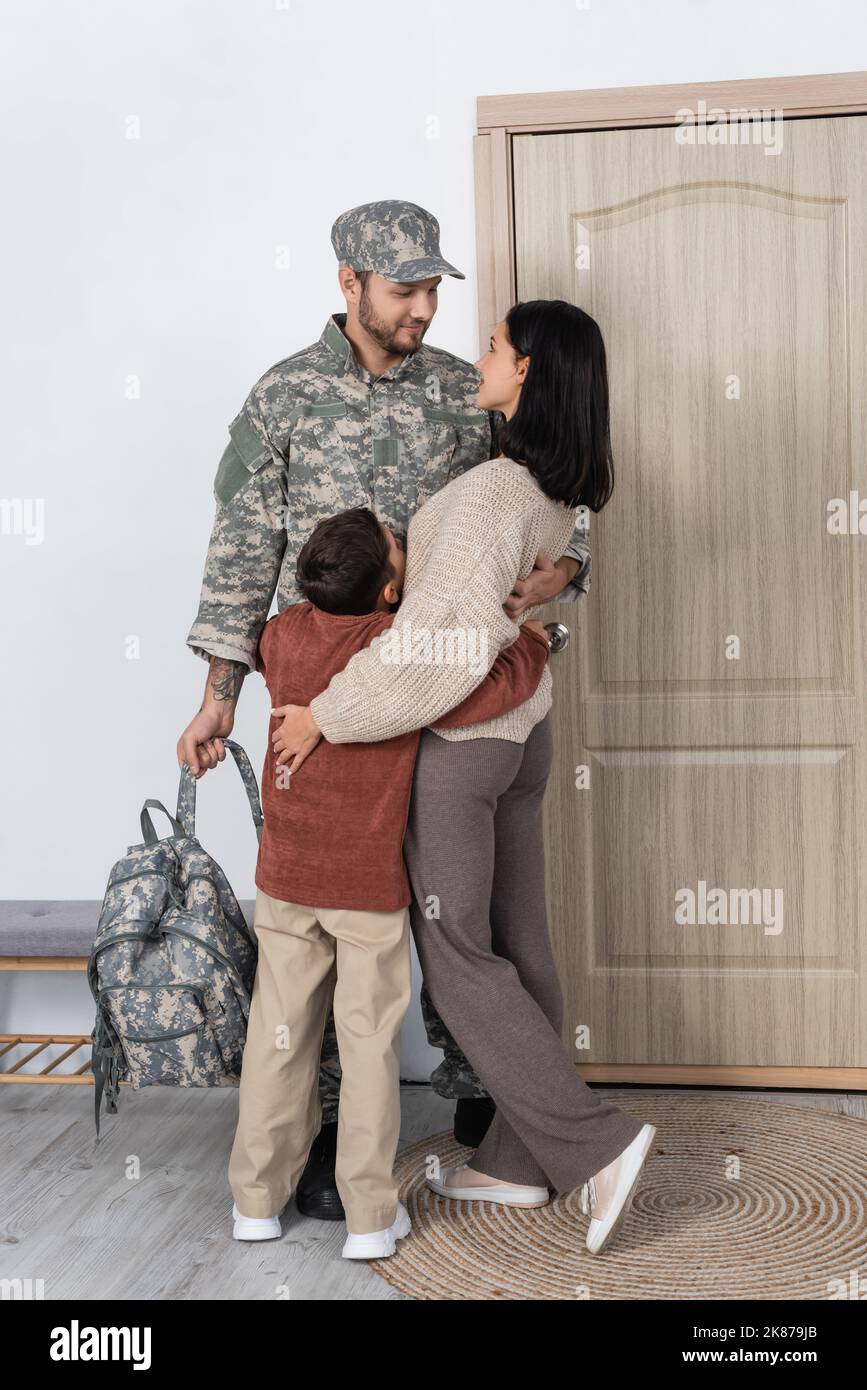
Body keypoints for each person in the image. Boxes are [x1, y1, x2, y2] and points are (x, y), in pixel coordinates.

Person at [177, 200, 593, 1221]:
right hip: (320, 704)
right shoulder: (281, 398)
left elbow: (559, 481)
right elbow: (241, 555)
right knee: (322, 921)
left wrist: (571, 568)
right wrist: (217, 698)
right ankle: (316, 1137)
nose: (425, 305)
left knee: (450, 910)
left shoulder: (466, 390)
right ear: (348, 284)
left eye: (434, 288)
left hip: (442, 691)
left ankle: (496, 1105)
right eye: (404, 288)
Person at [267, 300, 656, 1255]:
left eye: (494, 346)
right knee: (518, 944)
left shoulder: (489, 494)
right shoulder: (549, 490)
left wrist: (329, 715)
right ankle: (518, 1166)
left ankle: (595, 1145)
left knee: (459, 955)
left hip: (465, 752)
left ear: (526, 372)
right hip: (522, 739)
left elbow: (439, 652)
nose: (477, 351)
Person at [229, 505, 551, 1258]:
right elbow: (478, 690)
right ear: (385, 594)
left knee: (277, 1036)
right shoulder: (394, 648)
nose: (405, 551)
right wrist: (531, 647)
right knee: (367, 1040)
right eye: (398, 552)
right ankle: (369, 1220)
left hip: (285, 875)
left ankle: (253, 1203)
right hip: (365, 882)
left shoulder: (278, 636)